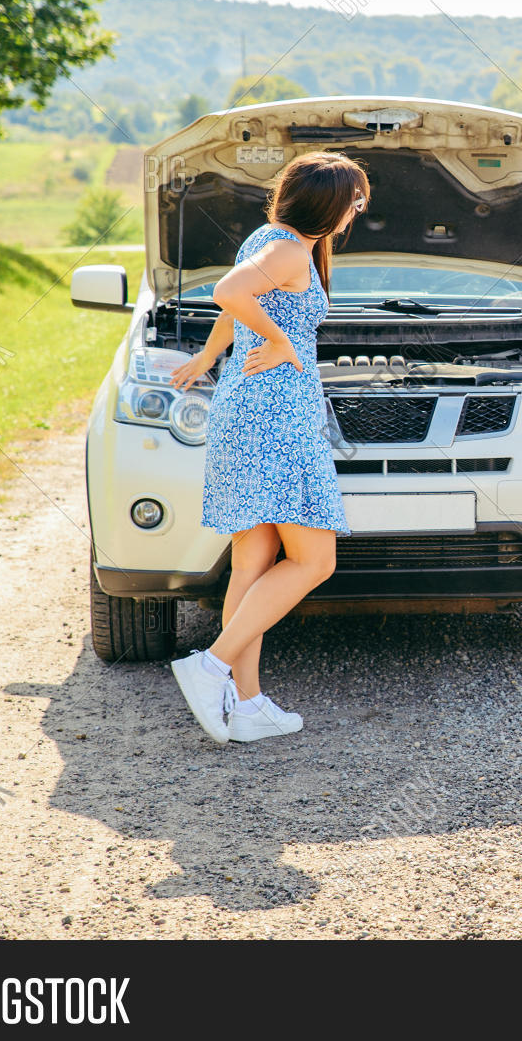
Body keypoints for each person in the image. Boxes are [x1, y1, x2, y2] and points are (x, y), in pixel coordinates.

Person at [166, 151, 371, 744]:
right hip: (274, 416)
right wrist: (282, 342)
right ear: (329, 206)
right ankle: (211, 667)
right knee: (315, 560)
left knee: (254, 562)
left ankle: (248, 702)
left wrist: (209, 354)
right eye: (354, 202)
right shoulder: (287, 249)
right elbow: (231, 289)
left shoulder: (271, 238)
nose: (356, 212)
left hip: (251, 408)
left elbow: (238, 299)